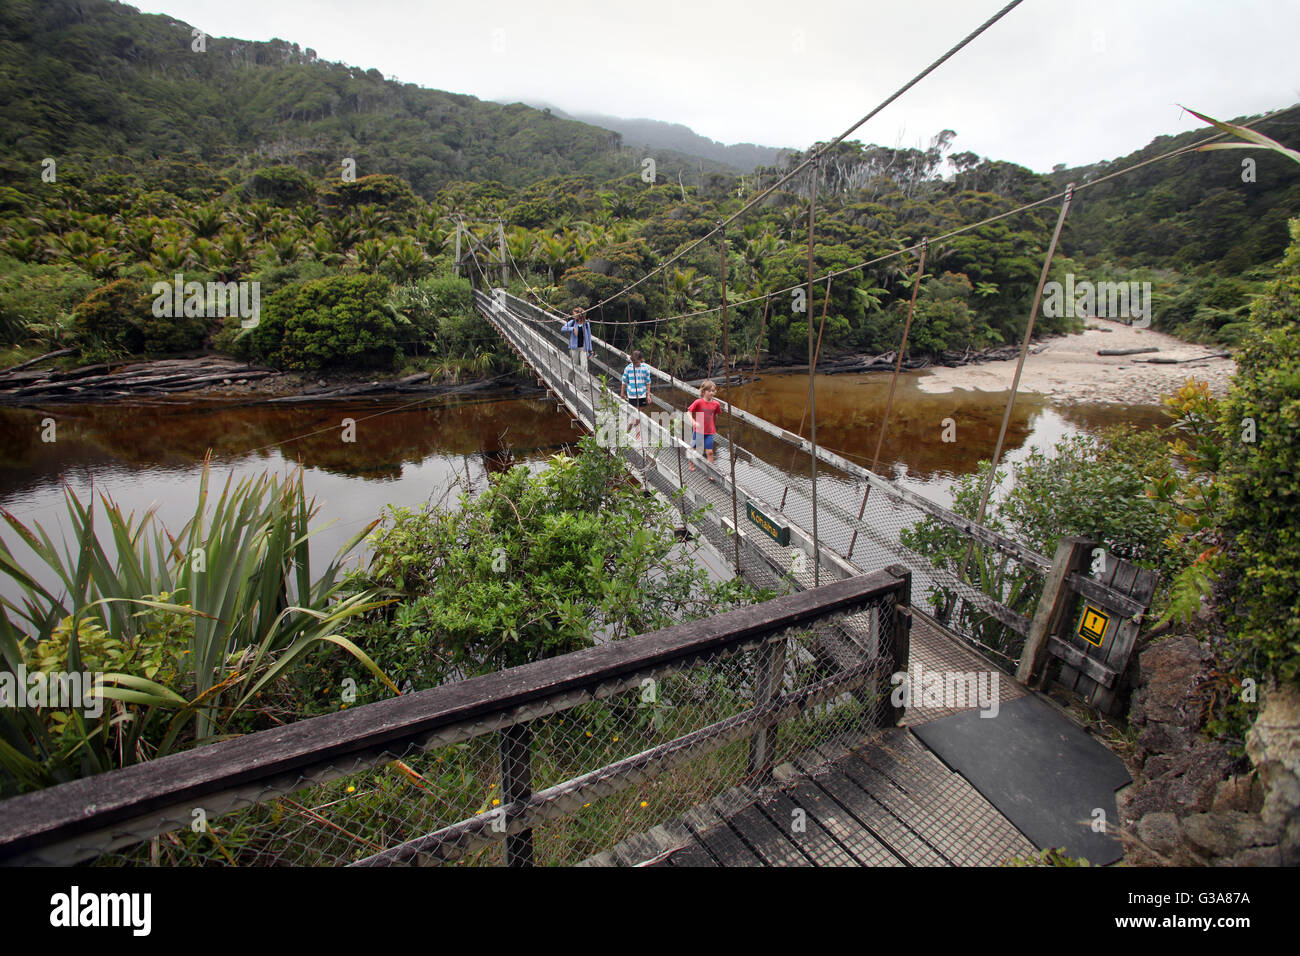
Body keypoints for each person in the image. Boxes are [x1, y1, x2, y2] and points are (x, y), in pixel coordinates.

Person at [687, 380, 723, 481]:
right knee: (694, 449)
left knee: (710, 452)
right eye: (709, 391)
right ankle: (691, 464)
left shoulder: (716, 404)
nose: (711, 393)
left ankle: (711, 473)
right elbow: (689, 412)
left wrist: (713, 426)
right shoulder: (698, 402)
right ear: (703, 392)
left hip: (709, 432)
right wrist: (693, 422)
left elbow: (716, 415)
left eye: (713, 391)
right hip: (698, 430)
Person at [620, 349, 652, 446]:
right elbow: (624, 381)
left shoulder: (645, 368)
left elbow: (648, 382)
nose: (635, 363)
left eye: (636, 362)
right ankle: (637, 435)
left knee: (638, 414)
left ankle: (629, 427)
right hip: (632, 395)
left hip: (642, 394)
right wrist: (622, 393)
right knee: (637, 415)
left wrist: (648, 395)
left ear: (641, 359)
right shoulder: (628, 368)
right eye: (633, 361)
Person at [560, 308, 593, 382]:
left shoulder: (586, 324)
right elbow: (563, 328)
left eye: (575, 314)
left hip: (583, 348)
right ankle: (570, 380)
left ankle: (584, 386)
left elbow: (588, 337)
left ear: (579, 315)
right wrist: (572, 329)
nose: (573, 316)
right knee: (574, 366)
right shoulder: (572, 322)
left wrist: (590, 350)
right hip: (574, 348)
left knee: (584, 367)